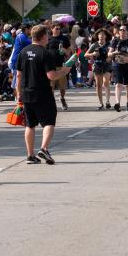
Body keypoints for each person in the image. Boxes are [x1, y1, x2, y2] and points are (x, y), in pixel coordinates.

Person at [17, 24, 74, 165]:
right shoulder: (45, 53)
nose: (48, 37)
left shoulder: (23, 52)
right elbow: (51, 75)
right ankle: (44, 148)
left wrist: (18, 94)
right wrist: (64, 71)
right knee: (49, 121)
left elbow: (18, 75)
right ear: (43, 37)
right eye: (47, 35)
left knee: (30, 125)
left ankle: (30, 155)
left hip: (26, 92)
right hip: (42, 92)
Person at [108, 26, 128, 112]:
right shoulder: (115, 41)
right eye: (120, 30)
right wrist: (114, 53)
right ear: (118, 32)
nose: (122, 31)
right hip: (117, 64)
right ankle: (118, 103)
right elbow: (109, 54)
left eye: (124, 30)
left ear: (127, 32)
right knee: (118, 84)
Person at [47, 24, 72, 111]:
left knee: (62, 86)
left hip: (61, 65)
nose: (58, 30)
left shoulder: (64, 38)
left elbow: (69, 51)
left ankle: (62, 98)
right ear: (52, 29)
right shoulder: (48, 39)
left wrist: (65, 51)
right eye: (56, 29)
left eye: (59, 29)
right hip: (50, 66)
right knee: (51, 86)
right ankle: (51, 102)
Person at [86, 29, 111, 110]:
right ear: (97, 36)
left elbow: (113, 53)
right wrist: (93, 54)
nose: (101, 36)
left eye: (103, 34)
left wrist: (110, 57)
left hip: (106, 65)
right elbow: (86, 54)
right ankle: (101, 103)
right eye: (100, 34)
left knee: (106, 82)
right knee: (98, 85)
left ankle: (107, 102)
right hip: (97, 65)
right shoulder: (94, 45)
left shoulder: (109, 44)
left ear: (106, 36)